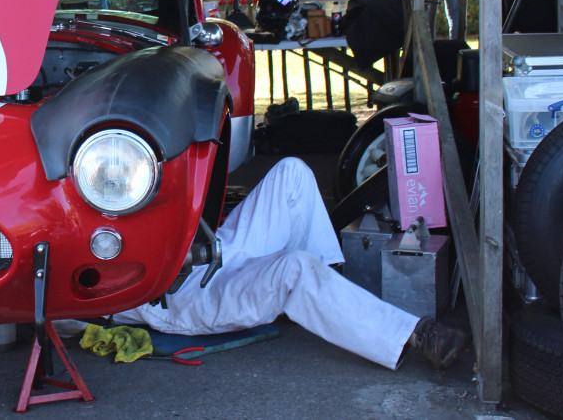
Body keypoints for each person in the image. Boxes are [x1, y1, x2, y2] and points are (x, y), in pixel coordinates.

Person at [105, 158, 469, 370]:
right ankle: (413, 334)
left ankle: (330, 292)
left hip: (210, 251)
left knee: (291, 173)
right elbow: (64, 309)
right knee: (294, 268)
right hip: (177, 297)